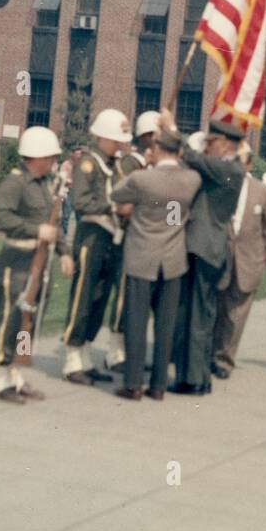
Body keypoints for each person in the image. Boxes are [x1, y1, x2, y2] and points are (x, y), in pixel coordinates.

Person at [108, 128, 201, 400]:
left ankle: (133, 383)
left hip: (142, 256)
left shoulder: (141, 178)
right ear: (180, 151)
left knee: (136, 323)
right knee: (165, 325)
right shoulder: (191, 179)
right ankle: (158, 385)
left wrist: (147, 172)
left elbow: (115, 195)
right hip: (173, 259)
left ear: (157, 149)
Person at [159, 107, 246, 397]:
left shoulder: (230, 168)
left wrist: (172, 129)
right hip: (207, 248)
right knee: (200, 314)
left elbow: (191, 157)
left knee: (196, 315)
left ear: (224, 144)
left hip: (203, 248)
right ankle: (198, 376)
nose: (207, 147)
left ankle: (193, 379)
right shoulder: (227, 168)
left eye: (211, 142)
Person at [0, 125, 74, 404]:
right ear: (36, 157)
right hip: (17, 262)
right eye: (50, 157)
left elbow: (52, 222)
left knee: (29, 323)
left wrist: (64, 252)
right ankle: (0, 382)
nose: (53, 162)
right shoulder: (16, 183)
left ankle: (17, 378)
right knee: (11, 321)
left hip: (39, 263)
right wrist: (35, 231)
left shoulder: (45, 184)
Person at [60, 108, 132, 385]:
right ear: (103, 137)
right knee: (83, 295)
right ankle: (72, 358)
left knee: (99, 298)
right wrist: (114, 206)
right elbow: (81, 201)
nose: (120, 144)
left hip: (111, 237)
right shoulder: (88, 163)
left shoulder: (115, 164)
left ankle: (86, 355)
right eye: (116, 139)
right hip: (92, 234)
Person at [212, 145, 266, 377]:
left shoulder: (261, 192)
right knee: (216, 310)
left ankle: (224, 360)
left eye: (240, 160)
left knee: (236, 315)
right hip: (219, 259)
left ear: (248, 164)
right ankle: (207, 355)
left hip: (248, 262)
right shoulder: (220, 185)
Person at [107, 109, 162, 370]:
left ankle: (130, 350)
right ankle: (115, 352)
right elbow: (124, 197)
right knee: (123, 294)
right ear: (148, 136)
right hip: (128, 235)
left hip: (146, 239)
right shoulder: (130, 164)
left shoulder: (152, 165)